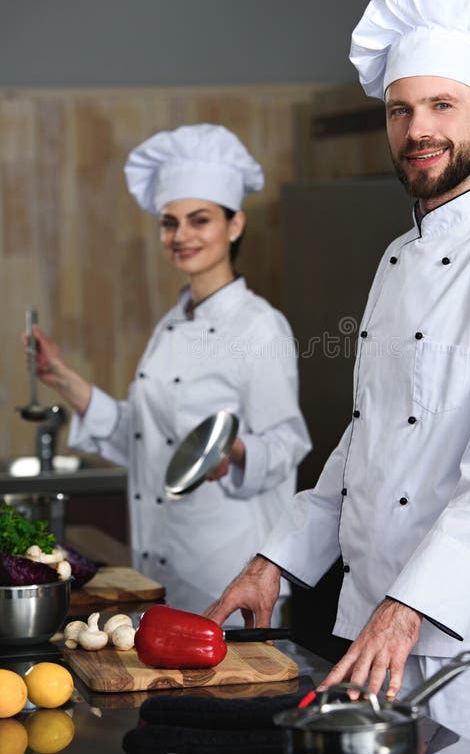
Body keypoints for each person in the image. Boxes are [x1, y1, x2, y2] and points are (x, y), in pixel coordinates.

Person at [204, 0, 470, 754]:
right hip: (380, 632)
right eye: (399, 110)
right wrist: (278, 560)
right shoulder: (396, 258)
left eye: (442, 106)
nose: (418, 130)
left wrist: (410, 605)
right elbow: (370, 436)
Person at [31, 123, 312, 624]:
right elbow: (146, 438)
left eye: (199, 220)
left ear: (235, 224)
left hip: (227, 572)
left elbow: (287, 443)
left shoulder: (259, 325)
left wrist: (235, 451)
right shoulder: (173, 322)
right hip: (161, 563)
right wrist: (62, 378)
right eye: (169, 223)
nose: (181, 236)